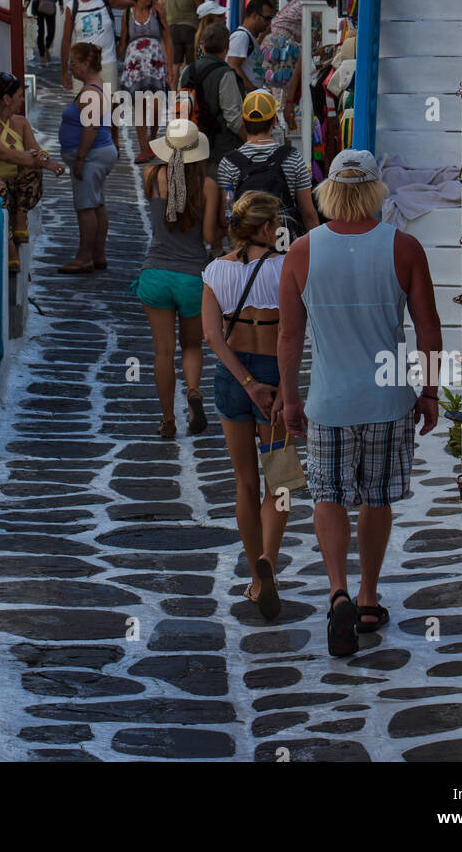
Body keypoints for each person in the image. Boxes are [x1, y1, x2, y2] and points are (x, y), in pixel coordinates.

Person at [276, 149, 442, 658]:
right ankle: (369, 597)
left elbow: (288, 335)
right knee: (377, 498)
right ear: (375, 190)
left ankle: (337, 591)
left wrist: (290, 398)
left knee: (326, 496)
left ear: (330, 192)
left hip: (328, 400)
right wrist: (430, 390)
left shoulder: (301, 252)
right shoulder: (404, 247)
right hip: (387, 400)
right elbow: (427, 329)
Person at [202, 191, 288, 620]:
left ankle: (256, 580)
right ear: (268, 228)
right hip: (275, 376)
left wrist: (248, 384)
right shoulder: (286, 268)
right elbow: (293, 334)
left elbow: (213, 338)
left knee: (244, 482)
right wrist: (280, 388)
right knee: (281, 481)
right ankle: (269, 558)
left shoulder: (216, 271)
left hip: (233, 379)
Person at [133, 119, 221, 438]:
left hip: (155, 274)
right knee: (192, 346)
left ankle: (168, 420)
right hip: (192, 278)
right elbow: (210, 237)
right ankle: (194, 393)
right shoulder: (209, 187)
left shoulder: (150, 177)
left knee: (162, 352)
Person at [0, 72, 66, 273]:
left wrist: (44, 159)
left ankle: (21, 214)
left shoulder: (21, 123)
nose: (22, 100)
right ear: (6, 99)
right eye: (19, 95)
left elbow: (37, 150)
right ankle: (9, 242)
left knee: (33, 165)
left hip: (17, 186)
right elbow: (3, 153)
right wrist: (43, 162)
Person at [217, 90, 320, 241]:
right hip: (283, 246)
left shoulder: (229, 163)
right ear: (274, 120)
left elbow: (225, 217)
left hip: (246, 247)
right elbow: (308, 214)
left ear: (243, 121)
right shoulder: (293, 157)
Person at [57, 43, 119, 273]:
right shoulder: (98, 87)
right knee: (96, 204)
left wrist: (80, 159)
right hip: (101, 153)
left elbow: (91, 127)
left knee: (86, 207)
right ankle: (98, 254)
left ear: (85, 64)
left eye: (73, 63)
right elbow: (112, 119)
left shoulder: (91, 92)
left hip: (93, 156)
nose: (71, 68)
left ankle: (84, 257)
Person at [119, 0, 175, 163]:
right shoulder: (128, 14)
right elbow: (124, 38)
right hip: (135, 66)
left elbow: (167, 38)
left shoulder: (157, 11)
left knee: (157, 104)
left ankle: (152, 138)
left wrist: (170, 65)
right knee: (140, 106)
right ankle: (143, 148)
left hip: (155, 63)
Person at [178, 22, 245, 175]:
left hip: (193, 150)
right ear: (226, 47)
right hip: (219, 152)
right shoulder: (226, 74)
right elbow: (233, 119)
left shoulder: (188, 71)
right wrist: (253, 143)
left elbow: (181, 111)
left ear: (203, 45)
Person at [60, 0, 130, 94]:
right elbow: (66, 41)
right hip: (83, 66)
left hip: (107, 62)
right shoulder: (72, 6)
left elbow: (130, 6)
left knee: (109, 106)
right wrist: (64, 71)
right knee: (84, 108)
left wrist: (123, 42)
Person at [227, 0, 276, 93]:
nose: (269, 23)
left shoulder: (249, 38)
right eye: (267, 19)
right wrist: (255, 92)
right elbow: (233, 66)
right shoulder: (241, 36)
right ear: (254, 16)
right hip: (245, 99)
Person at [162, 0, 201, 67]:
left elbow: (160, 10)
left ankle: (174, 84)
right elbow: (201, 9)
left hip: (172, 29)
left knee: (175, 63)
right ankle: (189, 82)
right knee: (190, 63)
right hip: (190, 28)